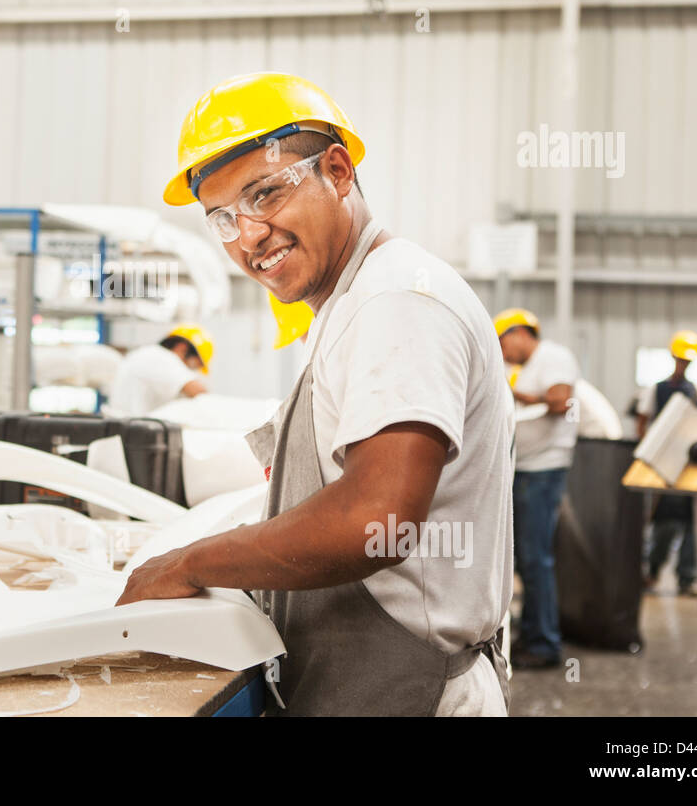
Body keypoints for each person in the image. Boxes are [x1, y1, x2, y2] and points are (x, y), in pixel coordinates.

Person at [117, 71, 514, 716]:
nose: (249, 235)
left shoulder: (396, 300)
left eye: (266, 193)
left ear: (337, 171)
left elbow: (375, 520)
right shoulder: (353, 303)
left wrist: (191, 563)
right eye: (223, 218)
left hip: (411, 693)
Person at [495, 307, 580, 670]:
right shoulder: (522, 368)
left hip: (543, 471)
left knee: (535, 558)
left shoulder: (553, 356)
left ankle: (544, 643)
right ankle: (531, 633)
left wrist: (518, 396)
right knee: (523, 559)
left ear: (519, 333)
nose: (503, 354)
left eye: (503, 344)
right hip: (524, 470)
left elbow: (561, 402)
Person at [639, 330, 697, 596]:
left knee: (691, 522)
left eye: (687, 361)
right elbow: (643, 424)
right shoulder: (656, 390)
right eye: (680, 359)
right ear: (673, 357)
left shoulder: (696, 393)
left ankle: (687, 578)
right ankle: (653, 570)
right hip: (663, 465)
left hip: (688, 466)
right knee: (665, 520)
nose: (683, 364)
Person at [108, 324, 211, 416]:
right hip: (133, 426)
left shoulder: (147, 353)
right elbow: (200, 393)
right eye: (193, 366)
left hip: (127, 423)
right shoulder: (161, 357)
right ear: (182, 348)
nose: (191, 370)